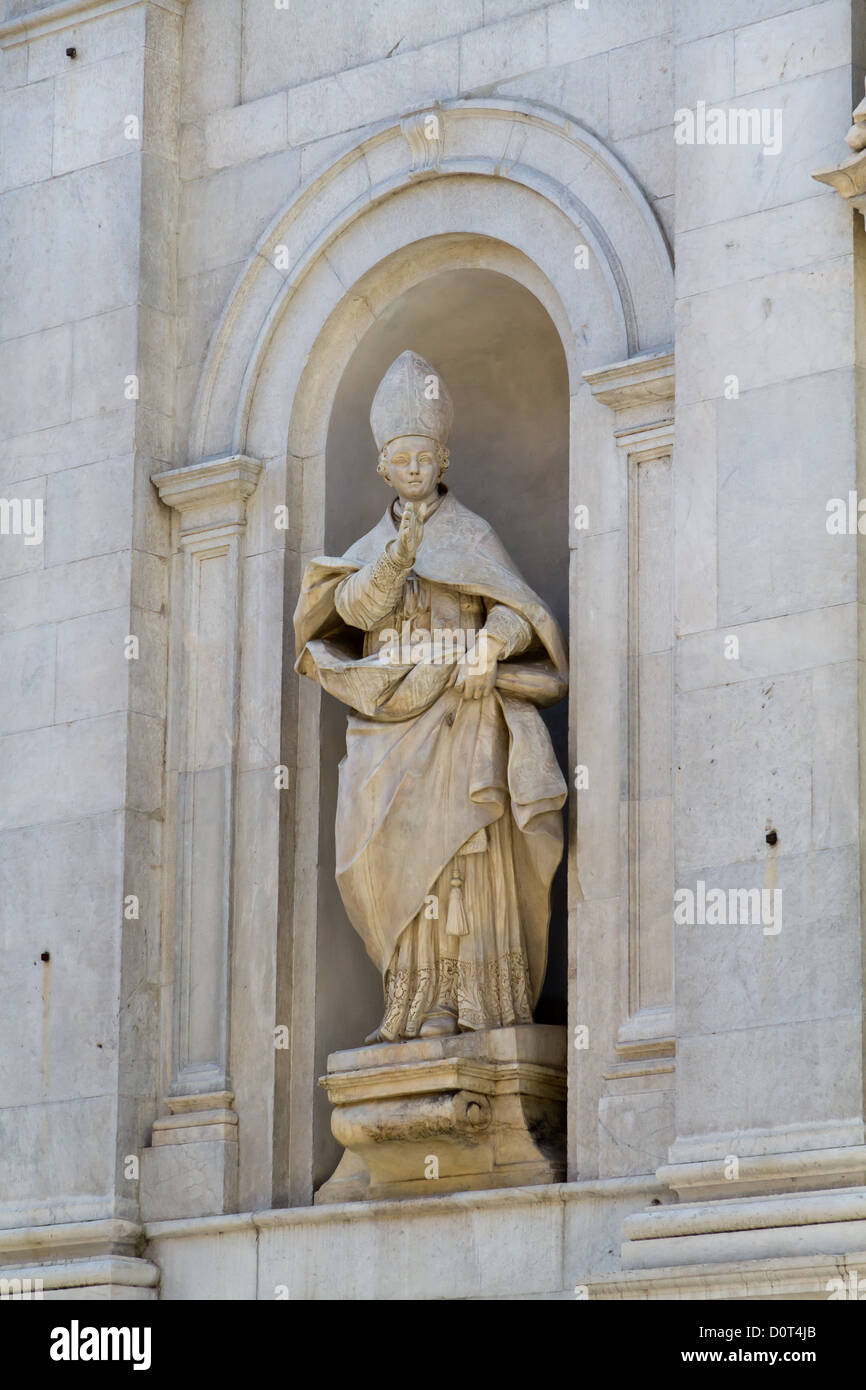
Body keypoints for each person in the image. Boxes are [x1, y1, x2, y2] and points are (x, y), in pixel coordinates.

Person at [294, 351, 567, 1042]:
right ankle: (412, 1005)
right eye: (402, 459)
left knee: (460, 854)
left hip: (464, 712)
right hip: (388, 723)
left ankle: (475, 1002)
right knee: (385, 857)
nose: (414, 469)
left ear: (442, 460)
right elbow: (355, 612)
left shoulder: (471, 535)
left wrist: (488, 646)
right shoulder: (366, 551)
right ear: (383, 467)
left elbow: (515, 606)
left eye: (425, 457)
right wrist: (396, 555)